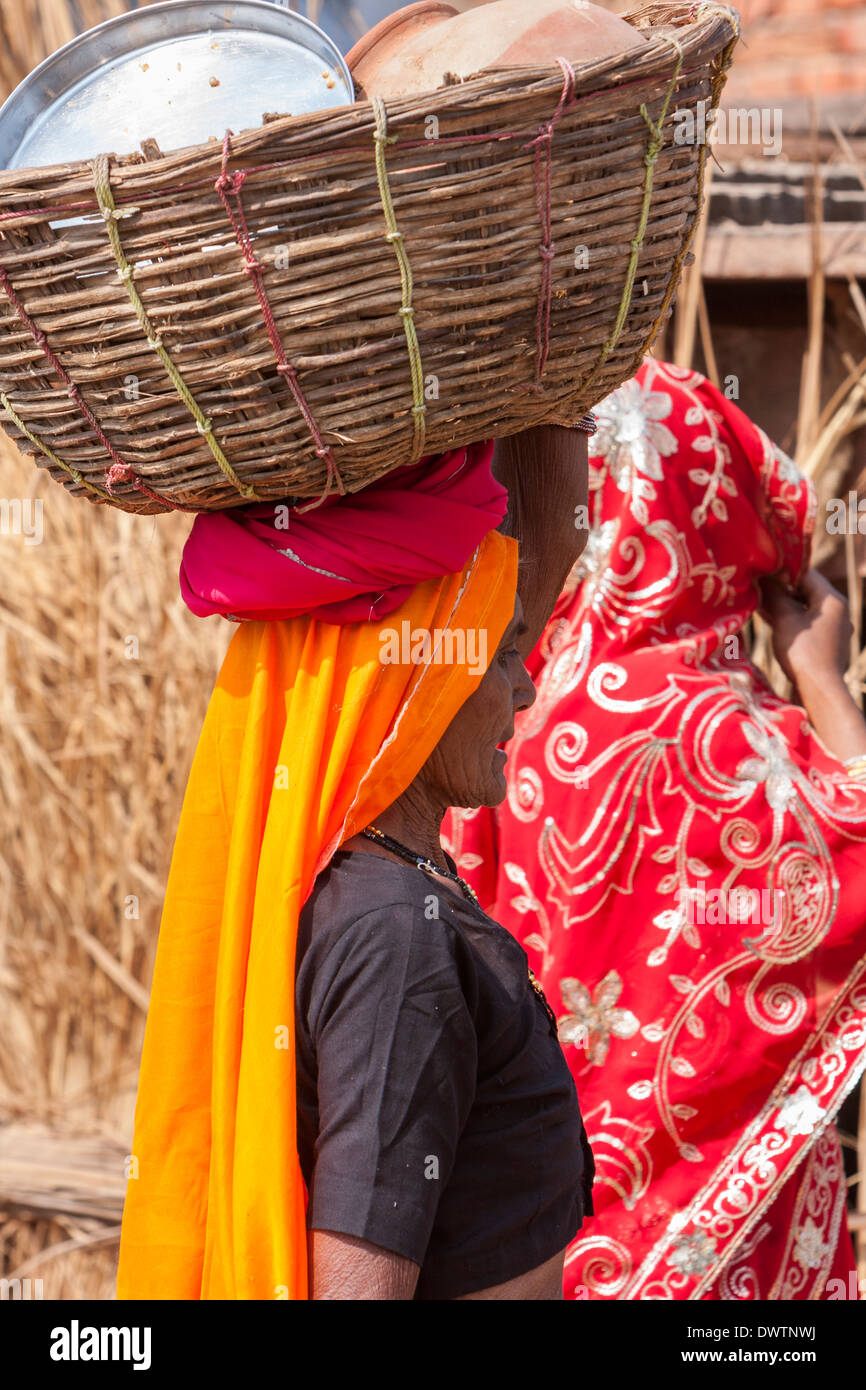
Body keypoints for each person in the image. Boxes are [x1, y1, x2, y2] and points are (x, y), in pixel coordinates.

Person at [116, 420, 598, 1300]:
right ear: (407, 681)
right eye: (500, 652)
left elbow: (548, 535)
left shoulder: (389, 888)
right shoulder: (396, 940)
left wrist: (548, 419)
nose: (527, 685)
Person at [445, 358, 866, 1300]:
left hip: (537, 1230)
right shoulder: (728, 735)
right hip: (726, 1215)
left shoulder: (501, 717)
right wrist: (824, 681)